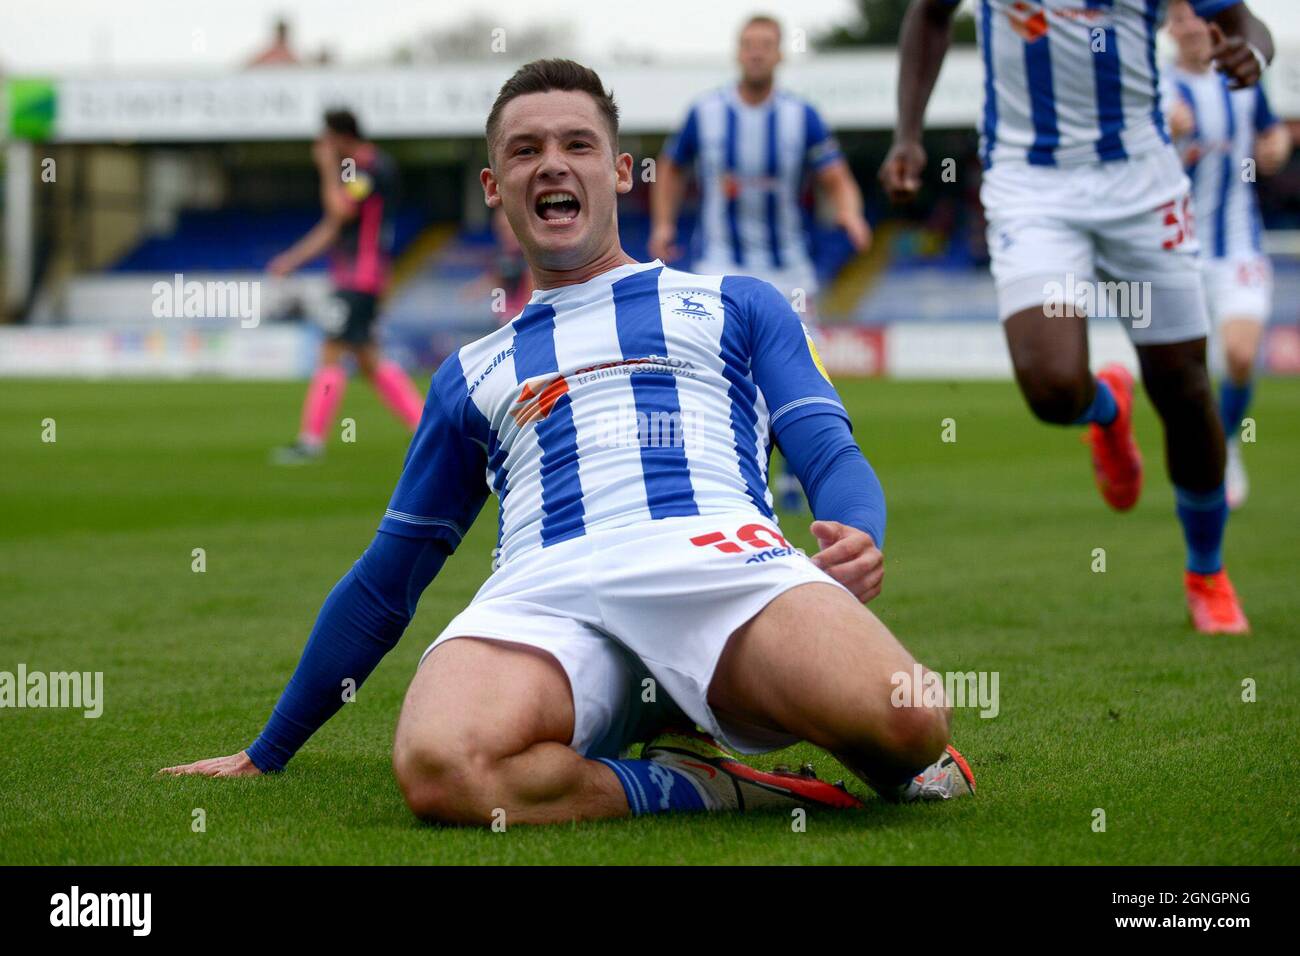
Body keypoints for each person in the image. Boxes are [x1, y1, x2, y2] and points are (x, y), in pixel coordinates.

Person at [161, 59, 974, 824]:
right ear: (494, 187)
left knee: (909, 725)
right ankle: (698, 784)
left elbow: (825, 445)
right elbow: (387, 580)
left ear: (620, 172)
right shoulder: (470, 373)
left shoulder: (739, 303)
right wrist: (268, 751)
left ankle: (718, 715)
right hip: (545, 589)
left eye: (577, 144)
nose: (552, 164)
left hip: (719, 561)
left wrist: (859, 528)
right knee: (444, 766)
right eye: (525, 151)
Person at [880, 0, 1275, 635]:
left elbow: (1239, 17)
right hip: (1031, 185)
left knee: (1183, 385)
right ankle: (1108, 409)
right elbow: (928, 15)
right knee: (1052, 387)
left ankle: (1207, 572)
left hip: (1141, 183)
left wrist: (1250, 54)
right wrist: (908, 134)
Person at [650, 14, 873, 512]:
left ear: (779, 54)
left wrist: (851, 212)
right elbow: (670, 168)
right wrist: (663, 224)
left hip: (787, 266)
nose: (756, 53)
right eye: (749, 44)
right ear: (738, 52)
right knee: (717, 365)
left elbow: (835, 176)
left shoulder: (802, 116)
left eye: (765, 45)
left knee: (802, 365)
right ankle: (723, 466)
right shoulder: (705, 113)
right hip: (719, 263)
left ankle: (799, 470)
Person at [1164, 0, 1292, 508]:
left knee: (1239, 356)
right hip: (1175, 252)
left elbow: (1273, 129)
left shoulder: (1240, 79)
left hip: (1237, 242)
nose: (1189, 25)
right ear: (1169, 30)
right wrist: (1164, 133)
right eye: (1177, 19)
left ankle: (1229, 443)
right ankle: (1201, 459)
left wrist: (1277, 145)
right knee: (1184, 377)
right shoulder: (1154, 91)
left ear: (1212, 20)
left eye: (1195, 14)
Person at [269, 109, 425, 464]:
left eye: (325, 140)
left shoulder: (369, 168)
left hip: (360, 277)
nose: (322, 147)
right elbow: (333, 226)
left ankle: (310, 441)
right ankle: (423, 429)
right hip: (358, 277)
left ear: (340, 137)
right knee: (369, 360)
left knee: (331, 350)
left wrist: (325, 168)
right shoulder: (360, 169)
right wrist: (292, 260)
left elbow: (339, 212)